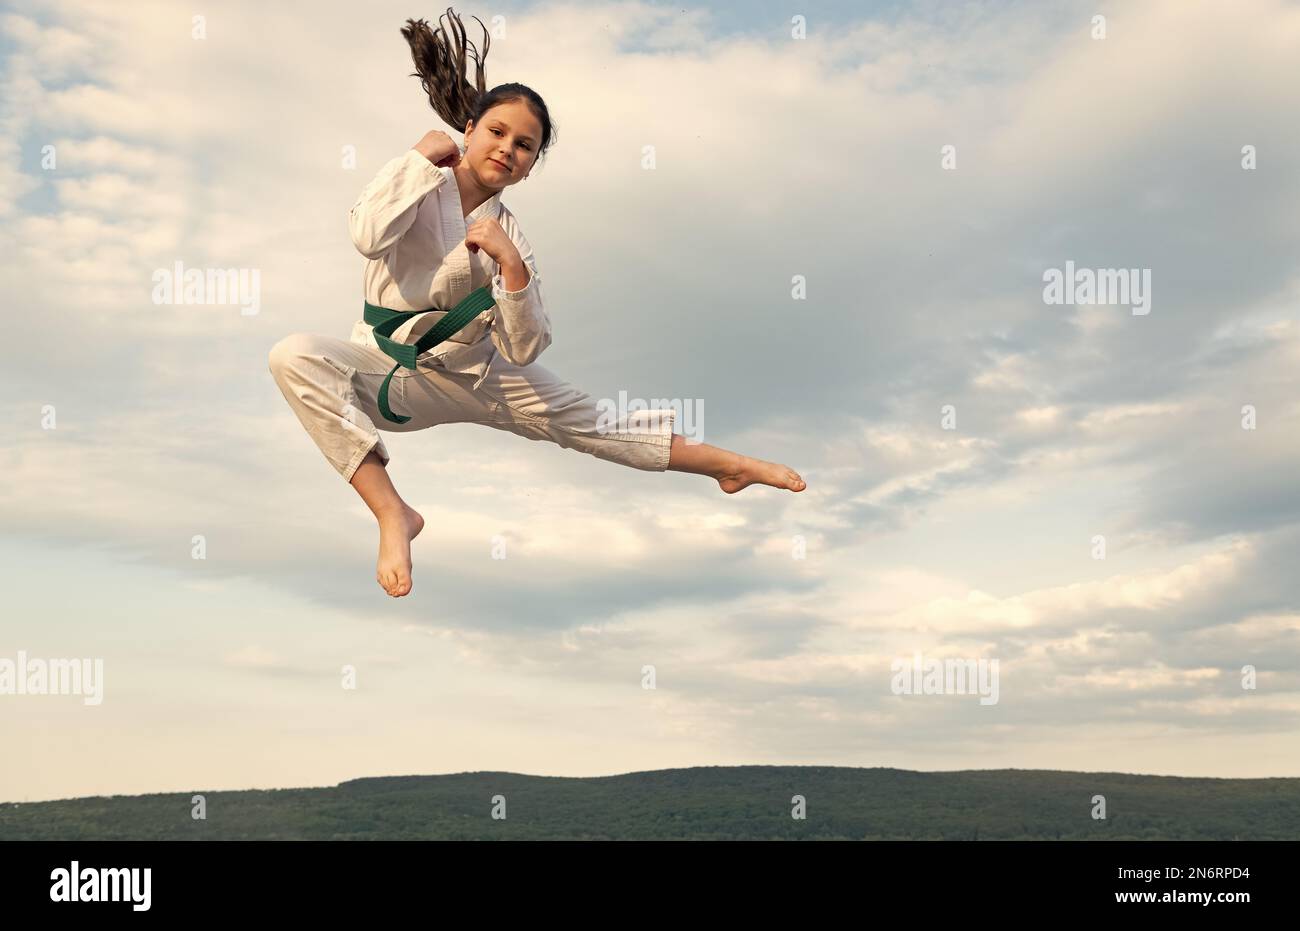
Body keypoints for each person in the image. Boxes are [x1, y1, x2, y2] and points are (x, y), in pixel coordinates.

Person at [268, 10, 805, 599]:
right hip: (391, 372)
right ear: (468, 129)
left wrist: (512, 269)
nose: (508, 149)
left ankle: (729, 466)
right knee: (294, 356)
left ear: (531, 163)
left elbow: (522, 350)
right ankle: (393, 512)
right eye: (497, 132)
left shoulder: (512, 236)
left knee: (598, 422)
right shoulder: (418, 183)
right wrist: (419, 158)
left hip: (479, 374)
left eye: (525, 145)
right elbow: (367, 235)